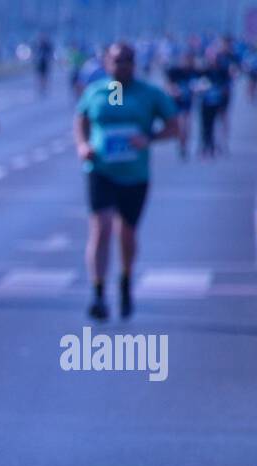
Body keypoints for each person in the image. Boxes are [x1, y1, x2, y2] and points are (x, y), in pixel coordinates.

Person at [74, 41, 179, 321]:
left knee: (127, 234)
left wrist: (150, 138)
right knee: (101, 227)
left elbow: (174, 126)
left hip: (134, 175)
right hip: (100, 170)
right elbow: (81, 120)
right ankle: (97, 293)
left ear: (135, 64)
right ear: (107, 62)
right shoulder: (95, 91)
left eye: (127, 60)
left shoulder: (149, 94)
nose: (122, 65)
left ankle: (125, 280)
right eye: (116, 60)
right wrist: (83, 145)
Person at [162, 48, 197, 159]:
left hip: (187, 102)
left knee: (186, 126)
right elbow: (167, 86)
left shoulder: (194, 72)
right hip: (176, 103)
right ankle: (181, 144)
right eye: (186, 60)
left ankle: (184, 146)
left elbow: (200, 83)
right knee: (180, 126)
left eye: (190, 60)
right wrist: (174, 91)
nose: (188, 63)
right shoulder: (175, 71)